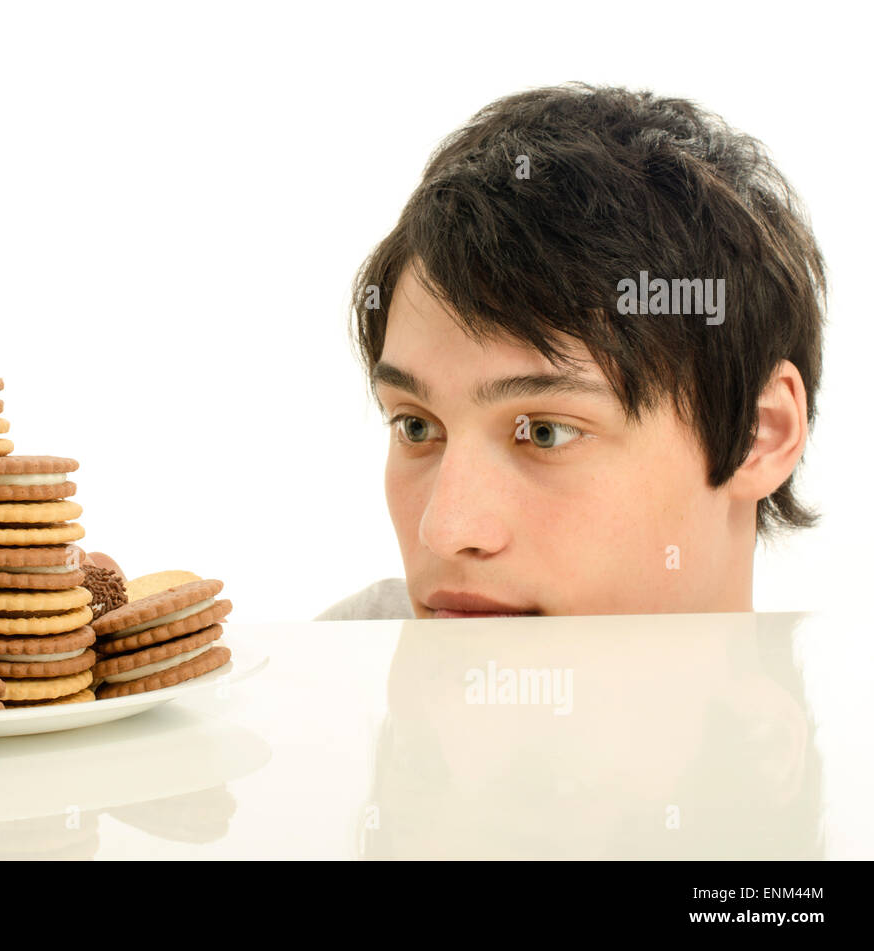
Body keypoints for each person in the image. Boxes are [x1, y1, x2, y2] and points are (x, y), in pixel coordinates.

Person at [319, 83, 825, 621]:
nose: (445, 531)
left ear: (760, 432)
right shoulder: (319, 682)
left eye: (545, 432)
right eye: (415, 427)